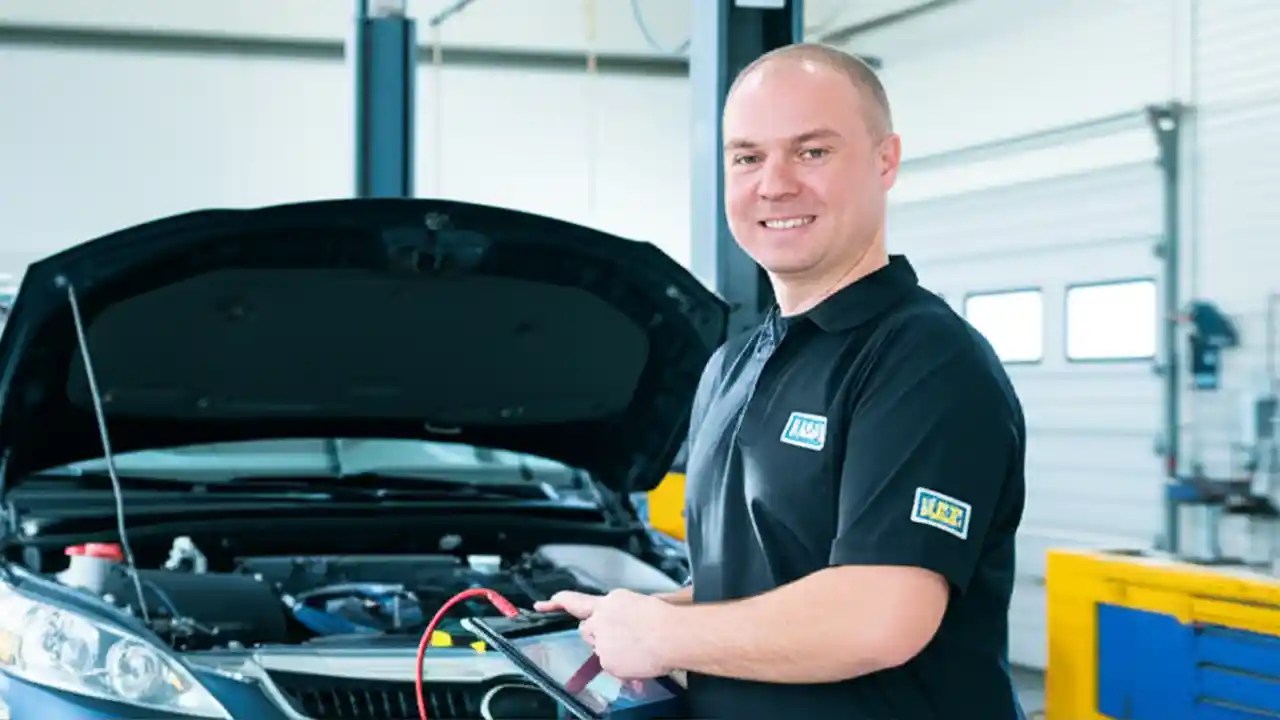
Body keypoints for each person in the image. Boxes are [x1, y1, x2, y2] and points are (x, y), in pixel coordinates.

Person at [536, 41, 1028, 720]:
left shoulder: (924, 359)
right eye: (747, 157)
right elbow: (757, 589)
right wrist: (637, 616)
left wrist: (664, 636)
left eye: (812, 151)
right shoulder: (731, 365)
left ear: (885, 160)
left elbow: (879, 616)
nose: (774, 184)